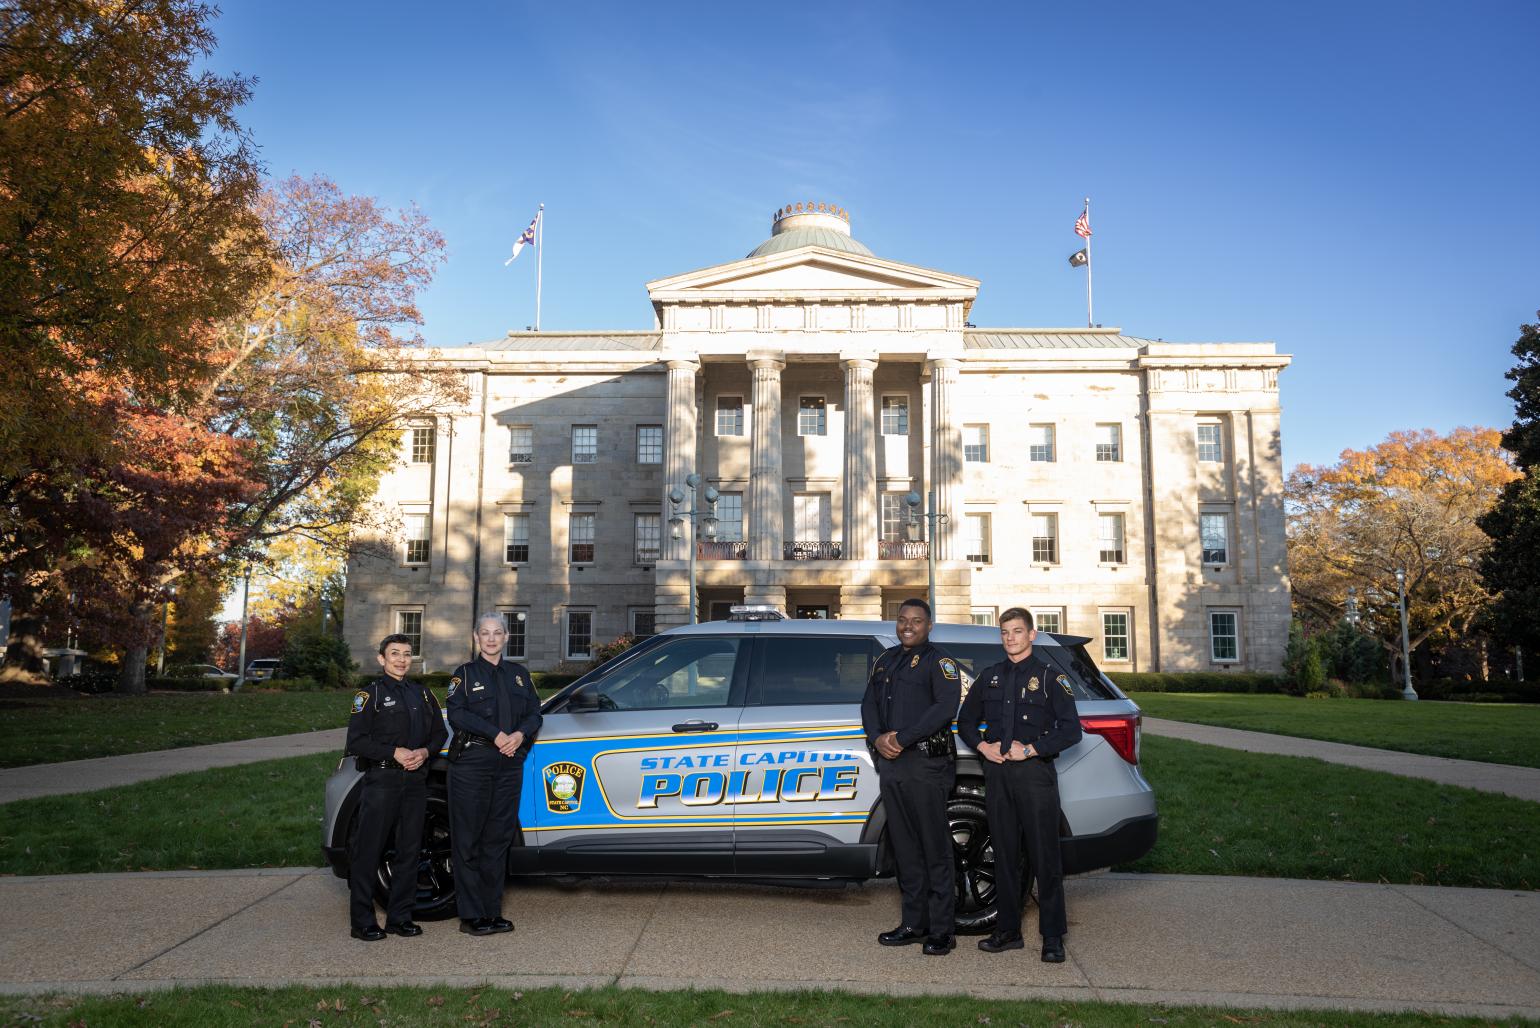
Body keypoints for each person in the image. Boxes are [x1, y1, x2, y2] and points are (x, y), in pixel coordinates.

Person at [956, 606, 1082, 962]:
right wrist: (983, 747)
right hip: (998, 778)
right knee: (1005, 856)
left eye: (1017, 631)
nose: (1010, 637)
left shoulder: (1049, 678)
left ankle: (1052, 937)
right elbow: (966, 722)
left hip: (1035, 777)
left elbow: (1071, 730)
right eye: (1005, 632)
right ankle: (1008, 931)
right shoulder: (990, 677)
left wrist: (1030, 749)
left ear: (1031, 635)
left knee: (1045, 858)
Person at [860, 597, 964, 956]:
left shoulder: (941, 662)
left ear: (929, 625)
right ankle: (913, 923)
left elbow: (944, 708)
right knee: (904, 847)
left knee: (934, 847)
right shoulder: (885, 661)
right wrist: (878, 738)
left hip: (925, 765)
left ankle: (942, 930)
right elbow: (869, 704)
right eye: (902, 619)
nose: (908, 626)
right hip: (893, 765)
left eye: (916, 621)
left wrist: (901, 738)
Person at [345, 633, 447, 941]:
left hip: (415, 782)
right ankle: (362, 922)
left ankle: (400, 917)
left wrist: (424, 752)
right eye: (394, 654)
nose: (401, 660)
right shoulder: (370, 695)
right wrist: (394, 753)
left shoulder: (423, 694)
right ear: (382, 659)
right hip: (382, 782)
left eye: (406, 654)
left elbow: (439, 733)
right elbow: (357, 741)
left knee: (409, 850)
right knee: (369, 851)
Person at [446, 612, 542, 936]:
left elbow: (535, 713)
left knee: (498, 839)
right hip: (473, 764)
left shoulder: (519, 675)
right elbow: (457, 714)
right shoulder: (464, 674)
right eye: (484, 633)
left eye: (497, 633)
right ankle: (471, 916)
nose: (490, 639)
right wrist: (496, 734)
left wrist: (520, 735)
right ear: (476, 638)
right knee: (468, 839)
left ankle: (492, 911)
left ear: (506, 637)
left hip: (508, 765)